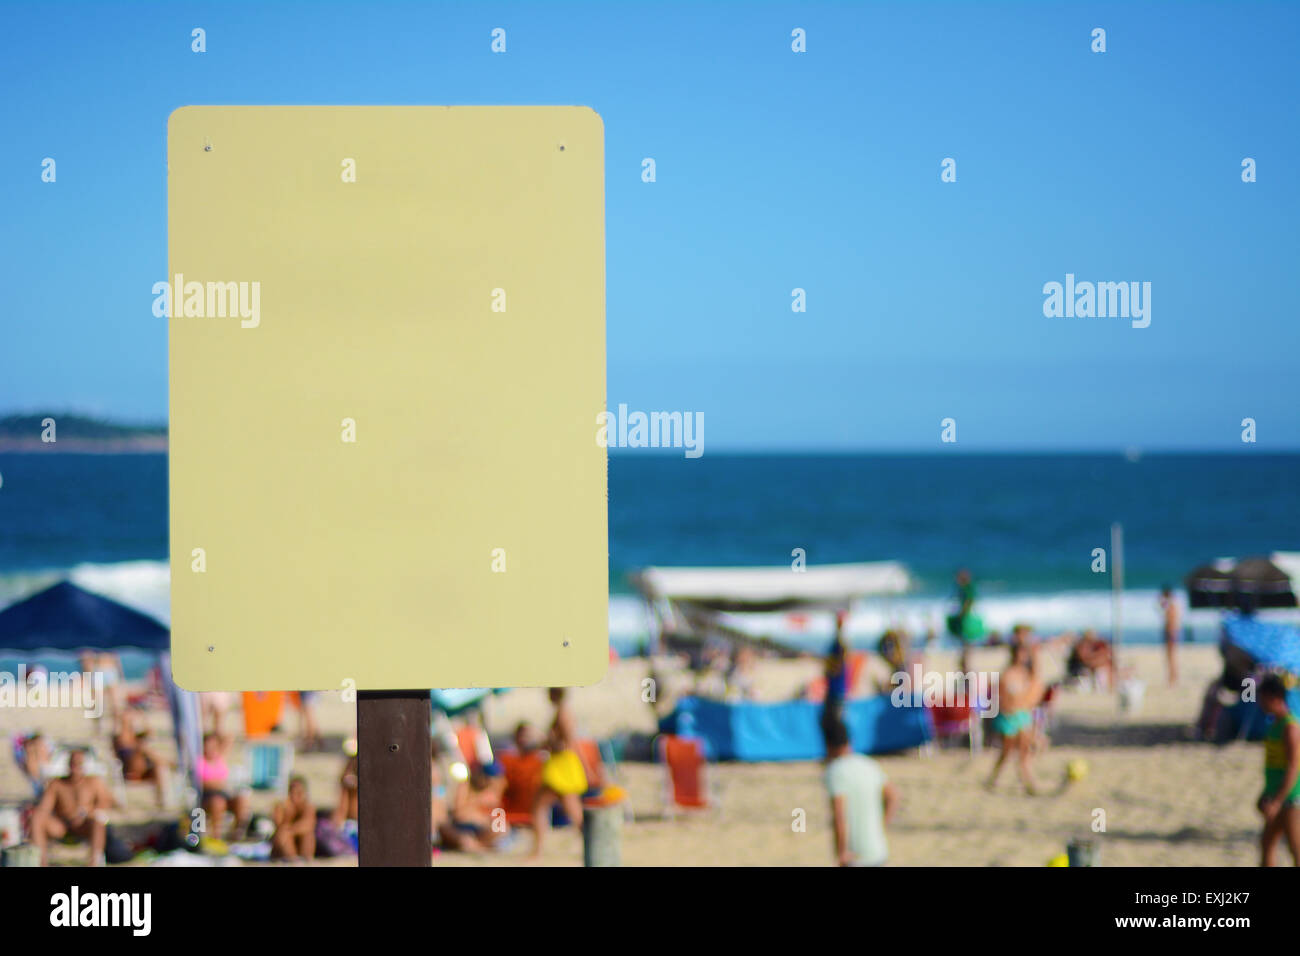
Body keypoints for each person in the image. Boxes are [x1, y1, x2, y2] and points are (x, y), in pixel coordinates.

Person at [823, 718, 897, 867]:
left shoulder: (835, 771)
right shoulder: (869, 764)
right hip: (878, 850)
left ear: (828, 745)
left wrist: (841, 852)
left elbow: (839, 815)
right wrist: (881, 825)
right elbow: (893, 796)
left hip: (856, 855)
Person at [529, 687, 590, 858]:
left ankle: (537, 852)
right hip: (563, 764)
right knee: (572, 810)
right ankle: (591, 845)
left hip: (561, 765)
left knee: (540, 807)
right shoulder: (563, 712)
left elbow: (568, 743)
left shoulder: (563, 714)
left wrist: (544, 741)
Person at [985, 637, 1050, 794]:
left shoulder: (1025, 674)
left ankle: (1029, 784)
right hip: (1009, 717)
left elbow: (1036, 678)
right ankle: (994, 779)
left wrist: (1036, 653)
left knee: (1024, 753)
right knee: (1006, 753)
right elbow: (1001, 699)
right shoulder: (1007, 675)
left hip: (1022, 716)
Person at [30, 749, 114, 867]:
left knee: (98, 822)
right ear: (68, 765)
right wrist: (38, 812)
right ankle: (41, 863)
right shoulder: (57, 783)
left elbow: (107, 801)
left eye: (79, 764)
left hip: (84, 824)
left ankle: (93, 863)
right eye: (73, 764)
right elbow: (45, 807)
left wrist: (87, 813)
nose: (75, 768)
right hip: (62, 825)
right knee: (37, 818)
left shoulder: (93, 782)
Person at [1258, 674, 1300, 866]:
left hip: (1292, 798)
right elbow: (1274, 766)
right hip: (1277, 794)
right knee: (1267, 843)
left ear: (1274, 698)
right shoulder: (1274, 724)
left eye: (1262, 698)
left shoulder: (1290, 727)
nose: (1259, 703)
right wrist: (1267, 793)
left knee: (1295, 848)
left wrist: (1277, 801)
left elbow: (1293, 767)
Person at [197, 731, 250, 839]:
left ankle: (237, 833)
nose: (211, 749)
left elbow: (229, 738)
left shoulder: (220, 758)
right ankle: (216, 836)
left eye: (213, 746)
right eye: (208, 746)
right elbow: (202, 783)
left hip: (224, 794)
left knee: (241, 800)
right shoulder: (199, 762)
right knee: (218, 802)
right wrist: (219, 784)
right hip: (207, 796)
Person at [113, 708, 169, 807]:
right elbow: (125, 741)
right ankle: (168, 763)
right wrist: (126, 720)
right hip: (129, 771)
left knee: (157, 766)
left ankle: (161, 801)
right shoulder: (121, 738)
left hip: (143, 770)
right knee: (142, 750)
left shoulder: (136, 737)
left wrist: (143, 718)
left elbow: (149, 732)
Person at [271, 776, 317, 861]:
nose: (295, 796)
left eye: (299, 793)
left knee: (308, 835)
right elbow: (278, 825)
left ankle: (306, 859)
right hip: (284, 845)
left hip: (298, 841)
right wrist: (287, 813)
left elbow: (308, 824)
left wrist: (291, 830)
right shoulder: (282, 806)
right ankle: (292, 859)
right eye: (292, 792)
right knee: (283, 835)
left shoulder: (307, 807)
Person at [1159, 586, 1180, 686]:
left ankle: (1173, 677)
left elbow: (1171, 621)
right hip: (1171, 632)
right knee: (1170, 656)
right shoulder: (1171, 605)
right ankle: (1172, 677)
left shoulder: (1171, 606)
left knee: (1171, 656)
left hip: (1171, 632)